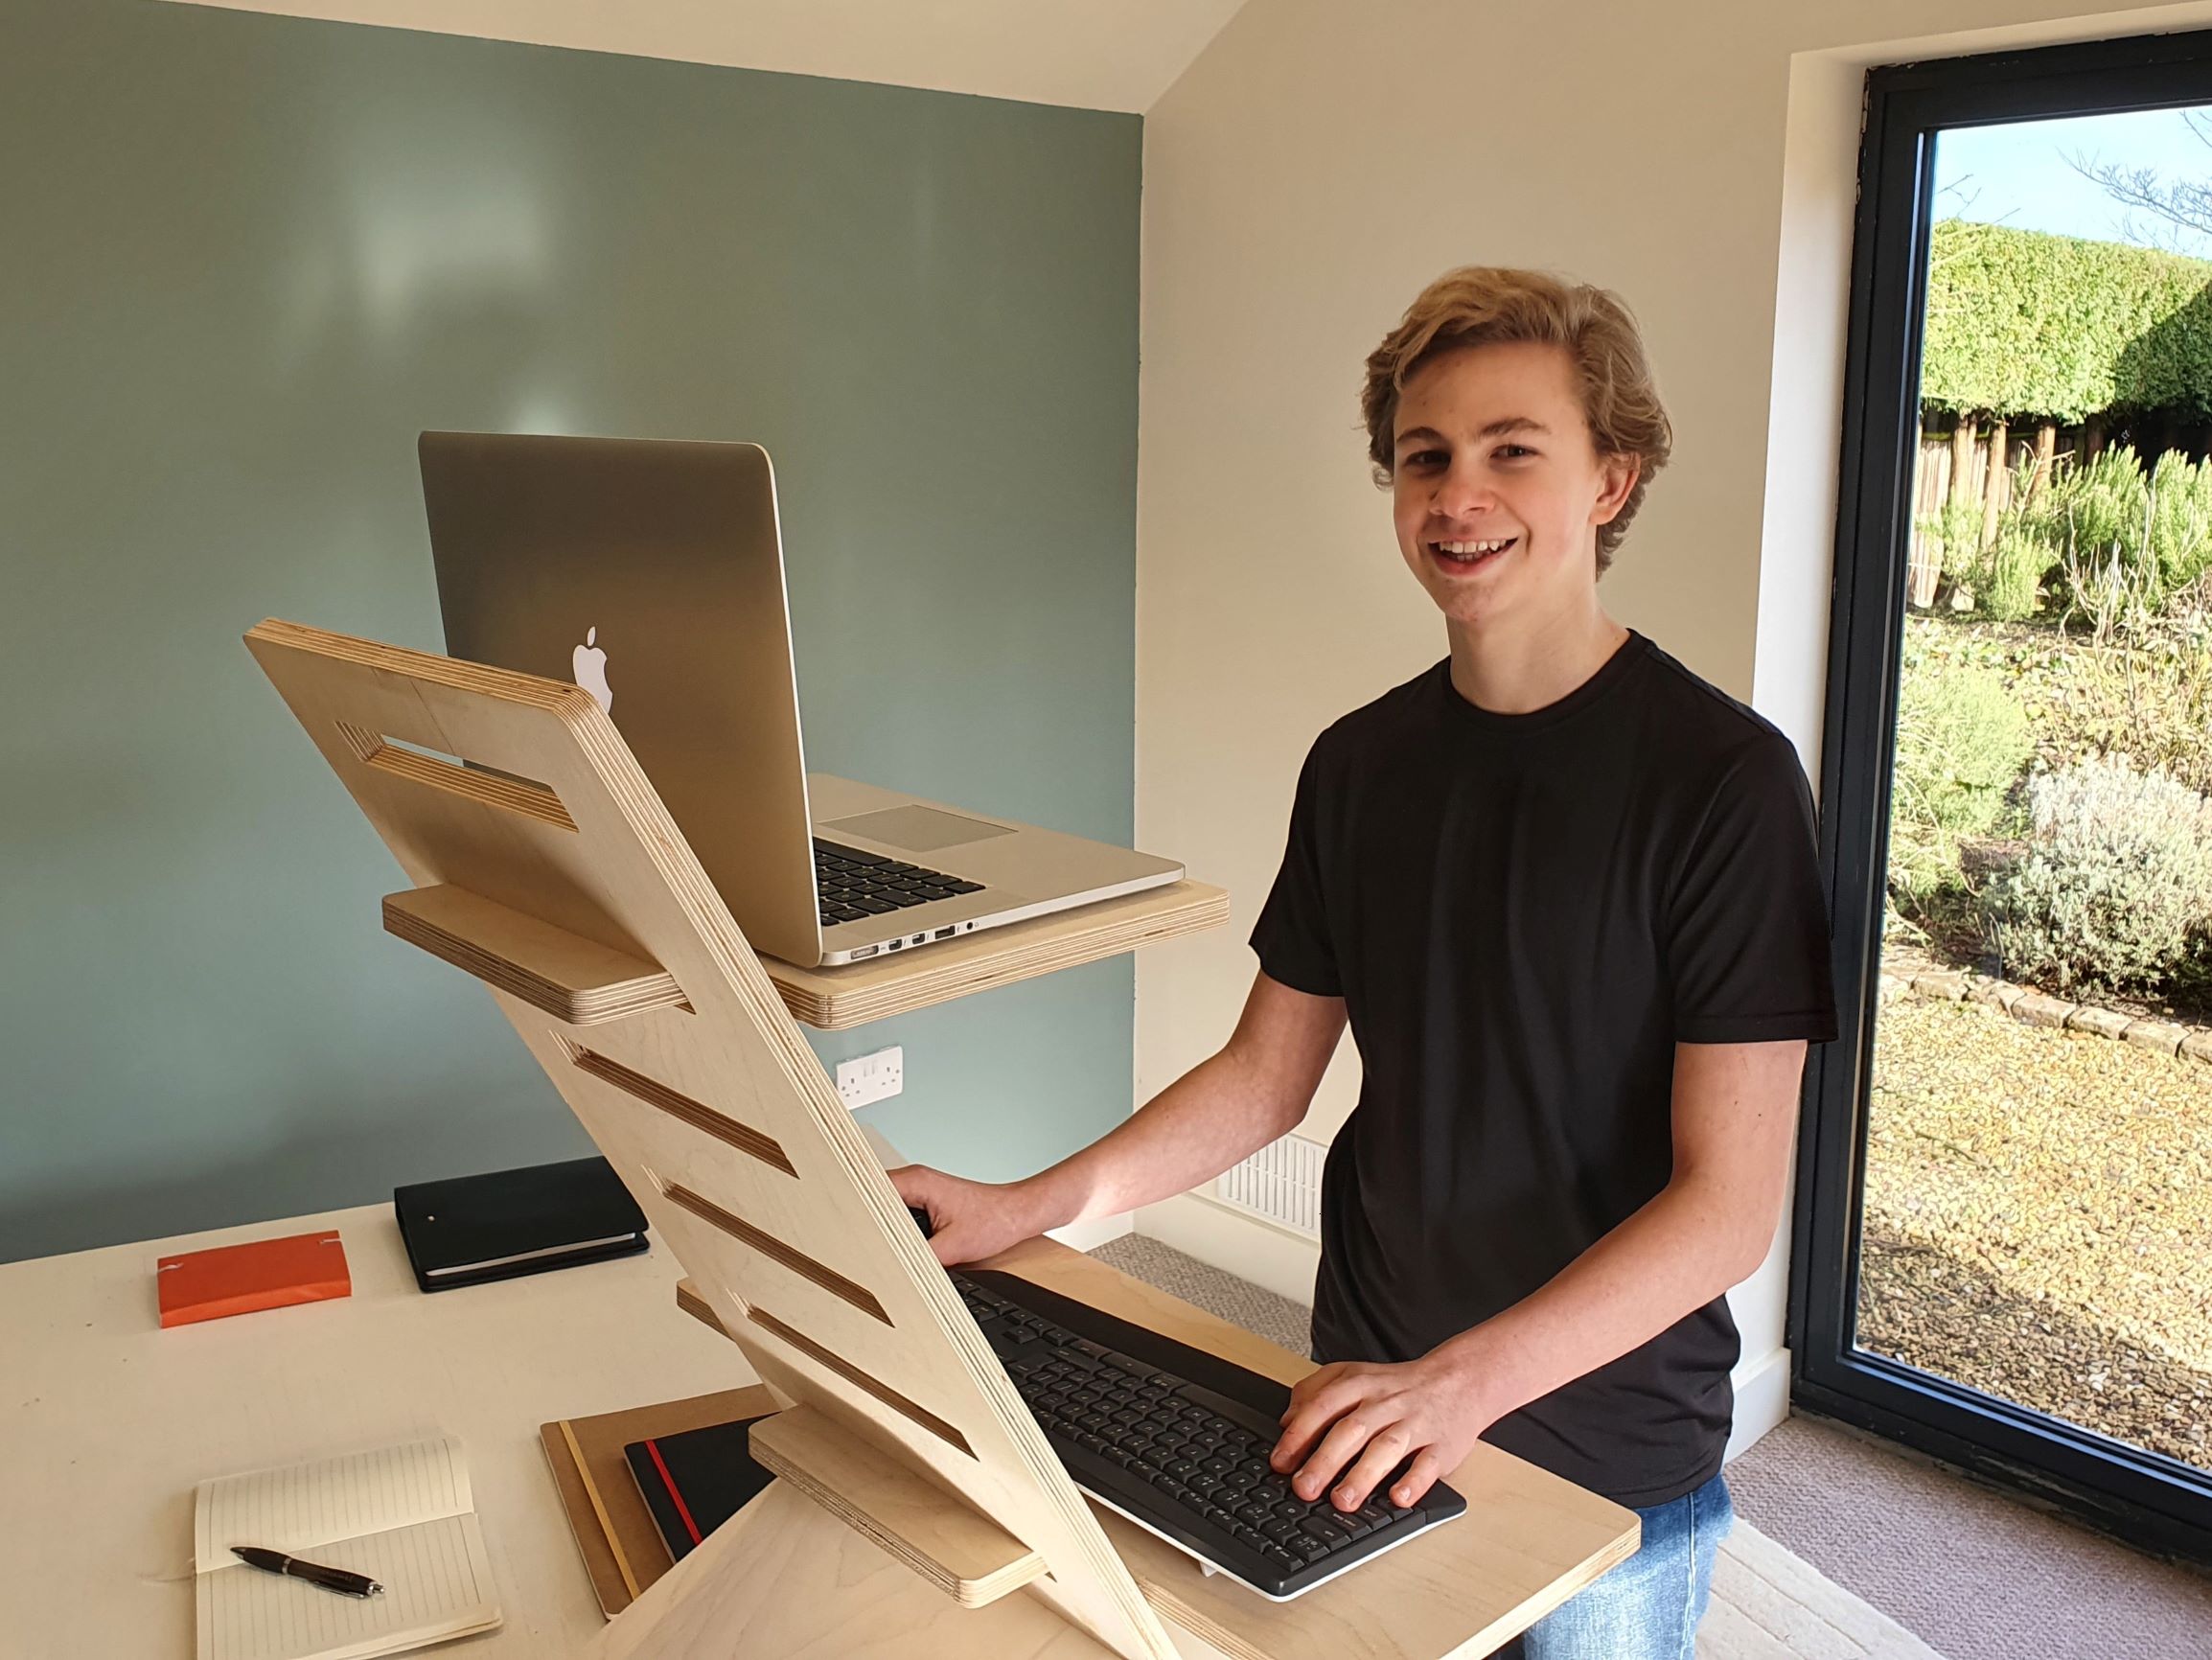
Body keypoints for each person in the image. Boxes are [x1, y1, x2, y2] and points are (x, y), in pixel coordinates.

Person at [890, 266, 1837, 1659]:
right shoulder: (1361, 764)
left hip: (1604, 1447)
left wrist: (1464, 1385)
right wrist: (1031, 1203)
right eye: (1425, 457)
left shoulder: (1726, 784)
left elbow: (1728, 1210)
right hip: (1365, 1395)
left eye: (1513, 451)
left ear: (1610, 481)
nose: (1458, 495)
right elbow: (1264, 1079)